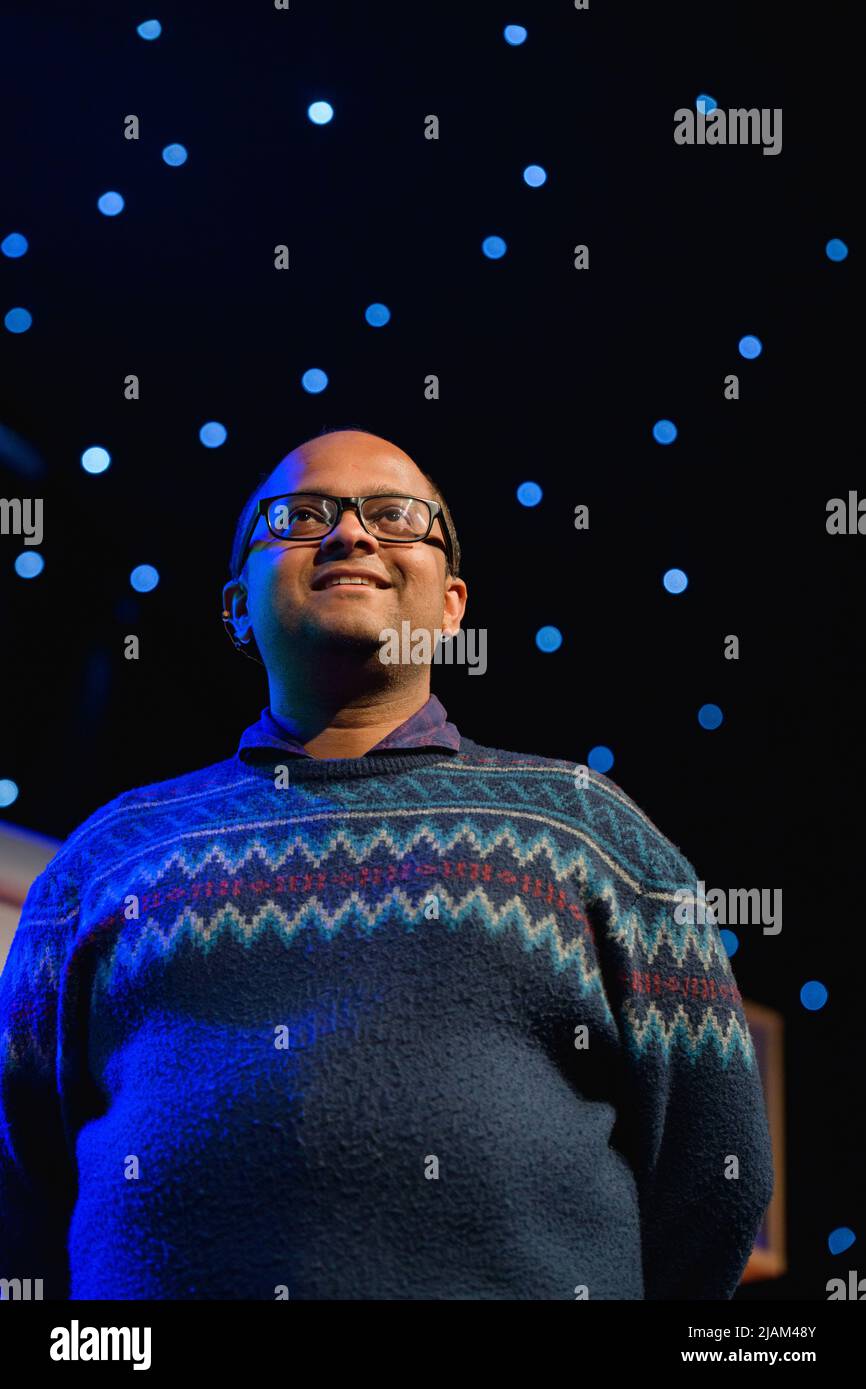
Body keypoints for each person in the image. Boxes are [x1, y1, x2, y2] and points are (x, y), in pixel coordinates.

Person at [0, 427, 774, 1300]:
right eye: (300, 516)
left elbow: (716, 1180)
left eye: (396, 516)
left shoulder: (595, 834)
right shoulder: (105, 858)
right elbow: (19, 1194)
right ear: (236, 606)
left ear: (452, 606)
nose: (350, 533)